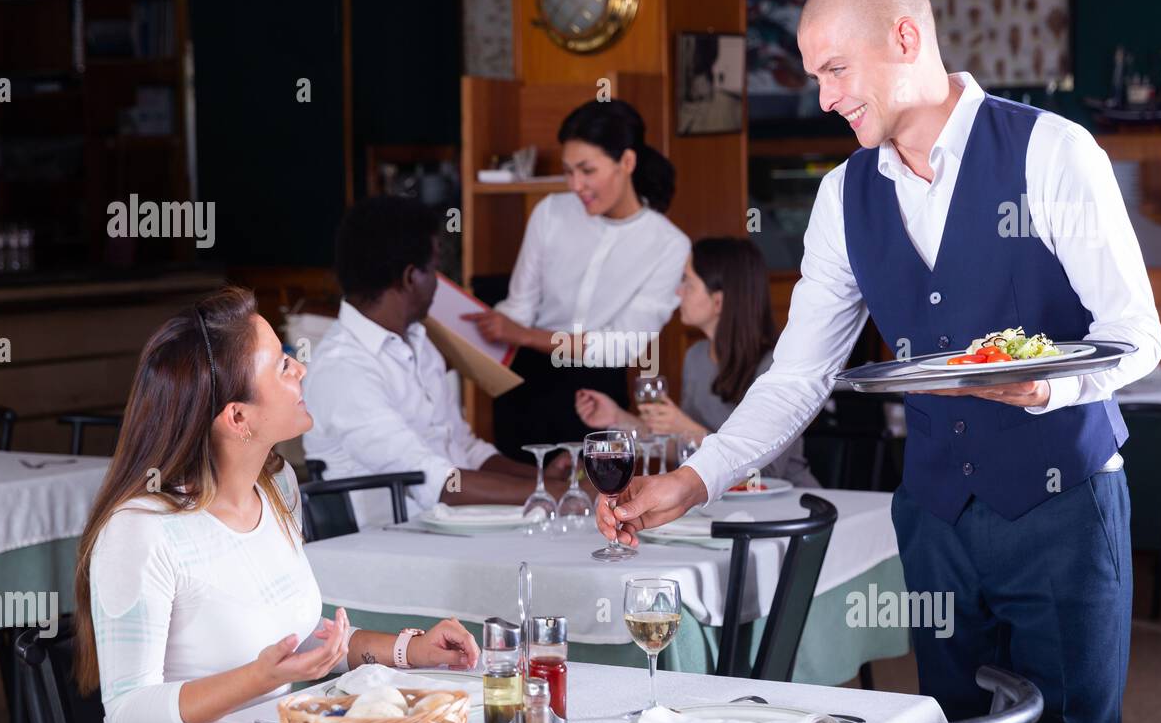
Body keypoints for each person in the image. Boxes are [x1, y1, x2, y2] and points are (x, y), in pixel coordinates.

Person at [595, 0, 1161, 723]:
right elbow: (797, 375)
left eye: (834, 70)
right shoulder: (843, 196)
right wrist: (693, 481)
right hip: (934, 522)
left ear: (905, 38)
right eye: (814, 76)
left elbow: (1138, 334)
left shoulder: (1052, 152)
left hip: (1062, 511)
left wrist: (1048, 385)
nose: (824, 98)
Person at [74, 286, 481, 723]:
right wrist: (256, 679)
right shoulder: (140, 530)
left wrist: (411, 650)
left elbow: (297, 639)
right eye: (284, 364)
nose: (302, 368)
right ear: (238, 417)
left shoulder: (277, 487)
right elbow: (128, 718)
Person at [302, 197, 569, 526]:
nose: (438, 283)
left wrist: (547, 479)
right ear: (411, 277)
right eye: (434, 269)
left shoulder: (418, 342)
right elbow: (434, 480)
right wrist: (555, 493)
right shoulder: (343, 369)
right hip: (386, 550)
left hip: (448, 529)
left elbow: (462, 449)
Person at [463, 99, 691, 459]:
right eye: (569, 172)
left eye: (587, 170)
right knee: (519, 498)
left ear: (627, 163)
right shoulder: (550, 212)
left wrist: (523, 335)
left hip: (596, 393)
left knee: (599, 501)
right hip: (525, 382)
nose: (576, 185)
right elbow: (518, 307)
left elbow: (622, 345)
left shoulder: (669, 245)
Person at [575, 237, 817, 487]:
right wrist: (617, 417)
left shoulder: (777, 364)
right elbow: (684, 449)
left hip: (789, 505)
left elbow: (766, 474)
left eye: (687, 282)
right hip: (726, 506)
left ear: (718, 302)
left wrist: (686, 427)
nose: (678, 292)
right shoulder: (696, 356)